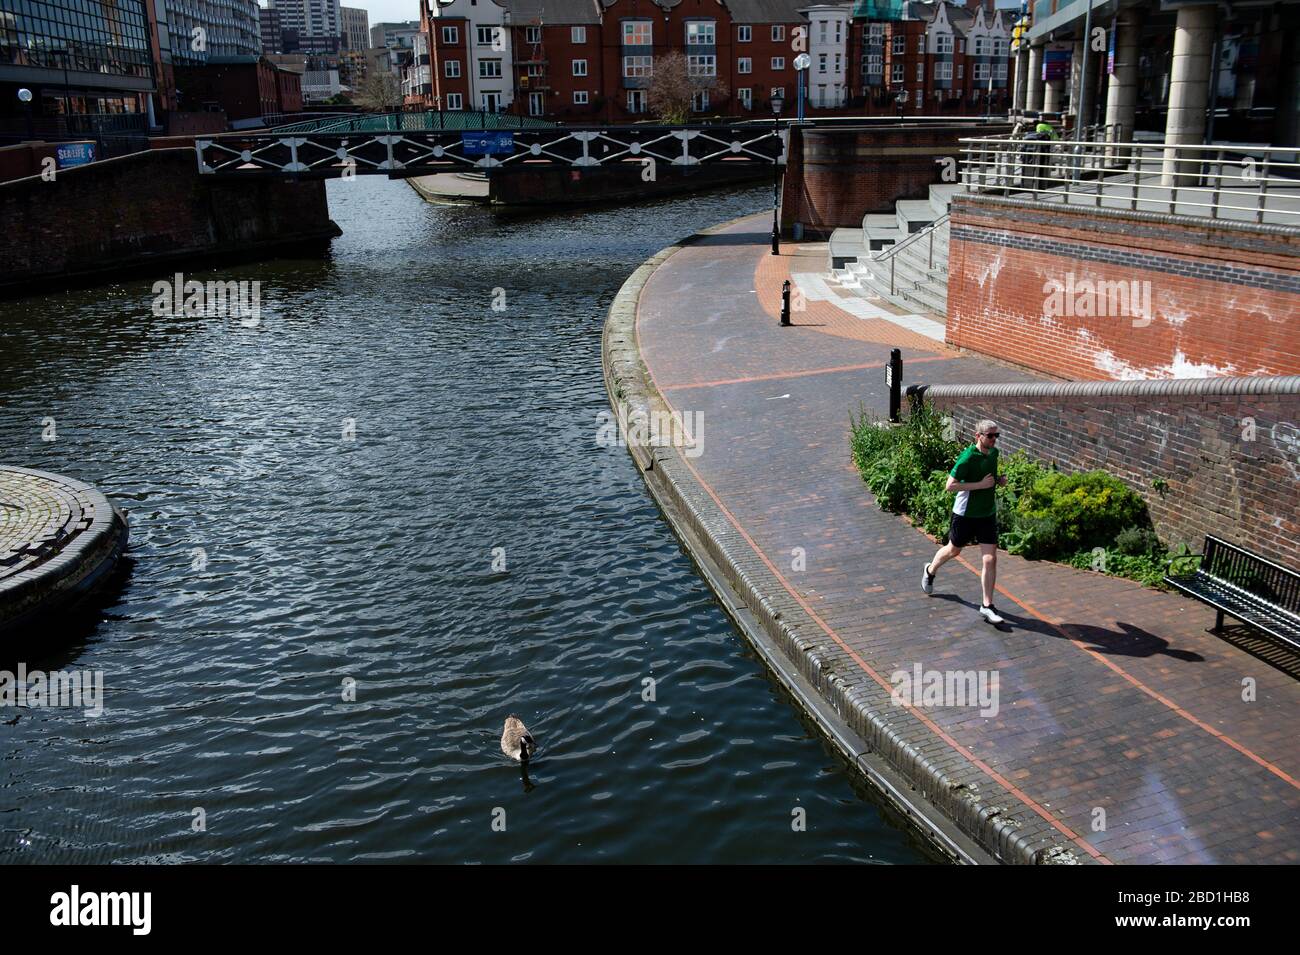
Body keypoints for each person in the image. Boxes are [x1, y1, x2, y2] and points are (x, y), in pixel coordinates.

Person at [921, 420, 1007, 624]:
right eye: (990, 436)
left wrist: (998, 481)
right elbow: (949, 486)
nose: (994, 439)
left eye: (997, 435)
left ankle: (987, 605)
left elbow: (990, 477)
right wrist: (980, 485)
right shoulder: (967, 458)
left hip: (987, 514)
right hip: (965, 515)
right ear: (978, 436)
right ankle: (930, 570)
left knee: (990, 559)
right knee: (954, 550)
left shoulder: (993, 453)